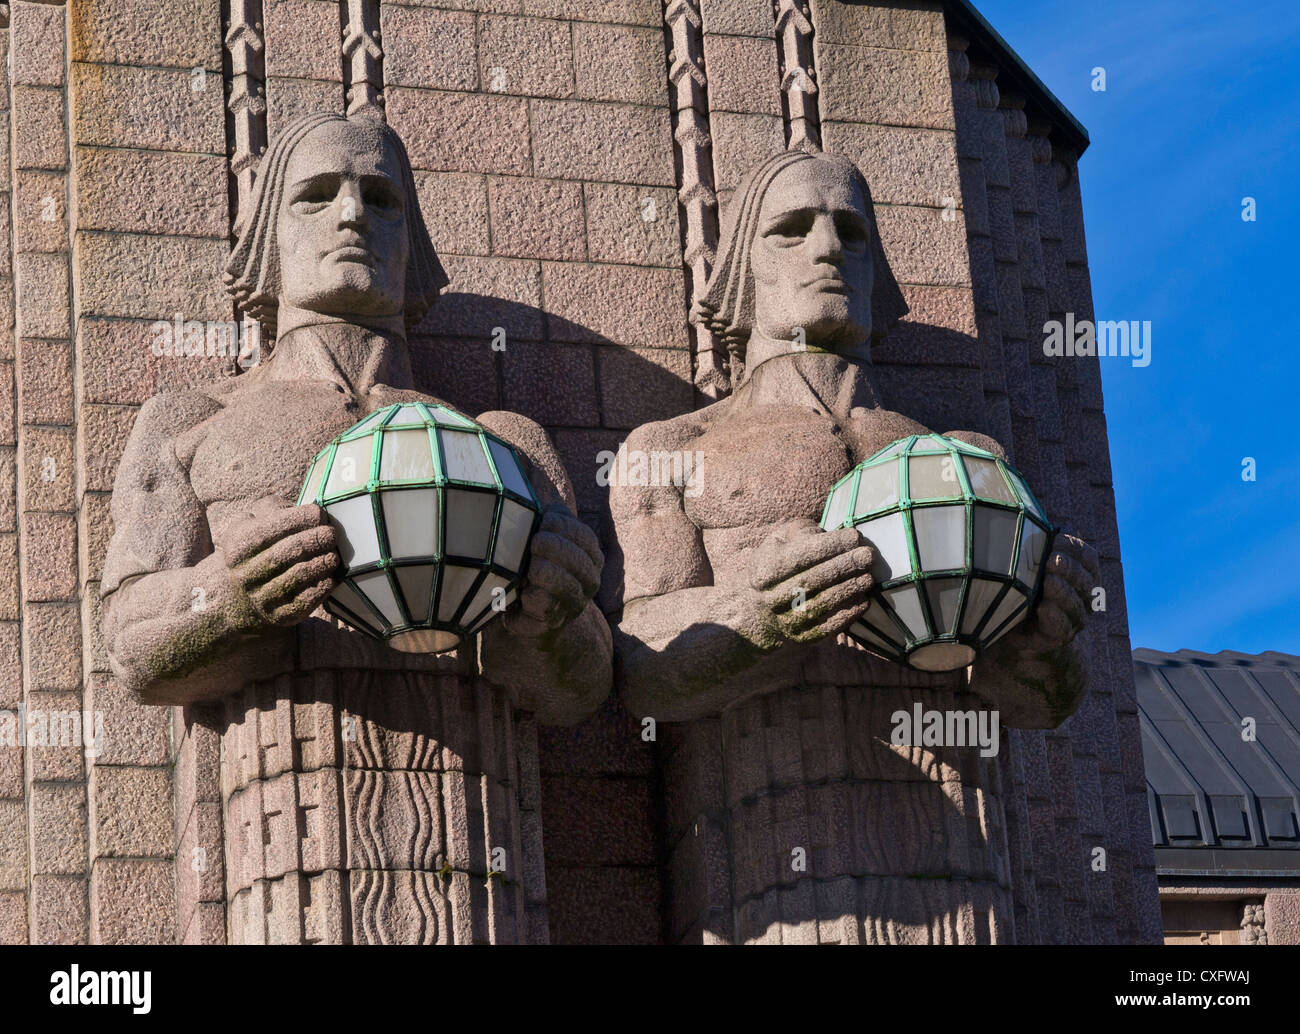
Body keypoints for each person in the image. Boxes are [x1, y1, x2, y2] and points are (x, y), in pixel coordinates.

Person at [101, 112, 611, 942]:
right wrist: (229, 599)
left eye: (380, 198)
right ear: (268, 240)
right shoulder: (194, 421)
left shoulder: (506, 446)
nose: (351, 216)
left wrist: (552, 620)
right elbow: (127, 644)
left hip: (482, 855)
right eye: (316, 196)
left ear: (414, 244)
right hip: (274, 847)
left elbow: (581, 689)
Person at [610, 149, 1097, 942]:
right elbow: (640, 665)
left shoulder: (971, 462)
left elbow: (1037, 703)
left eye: (851, 232)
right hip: (765, 842)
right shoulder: (675, 445)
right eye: (791, 229)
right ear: (742, 272)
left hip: (965, 856)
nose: (827, 247)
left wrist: (1046, 636)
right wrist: (755, 615)